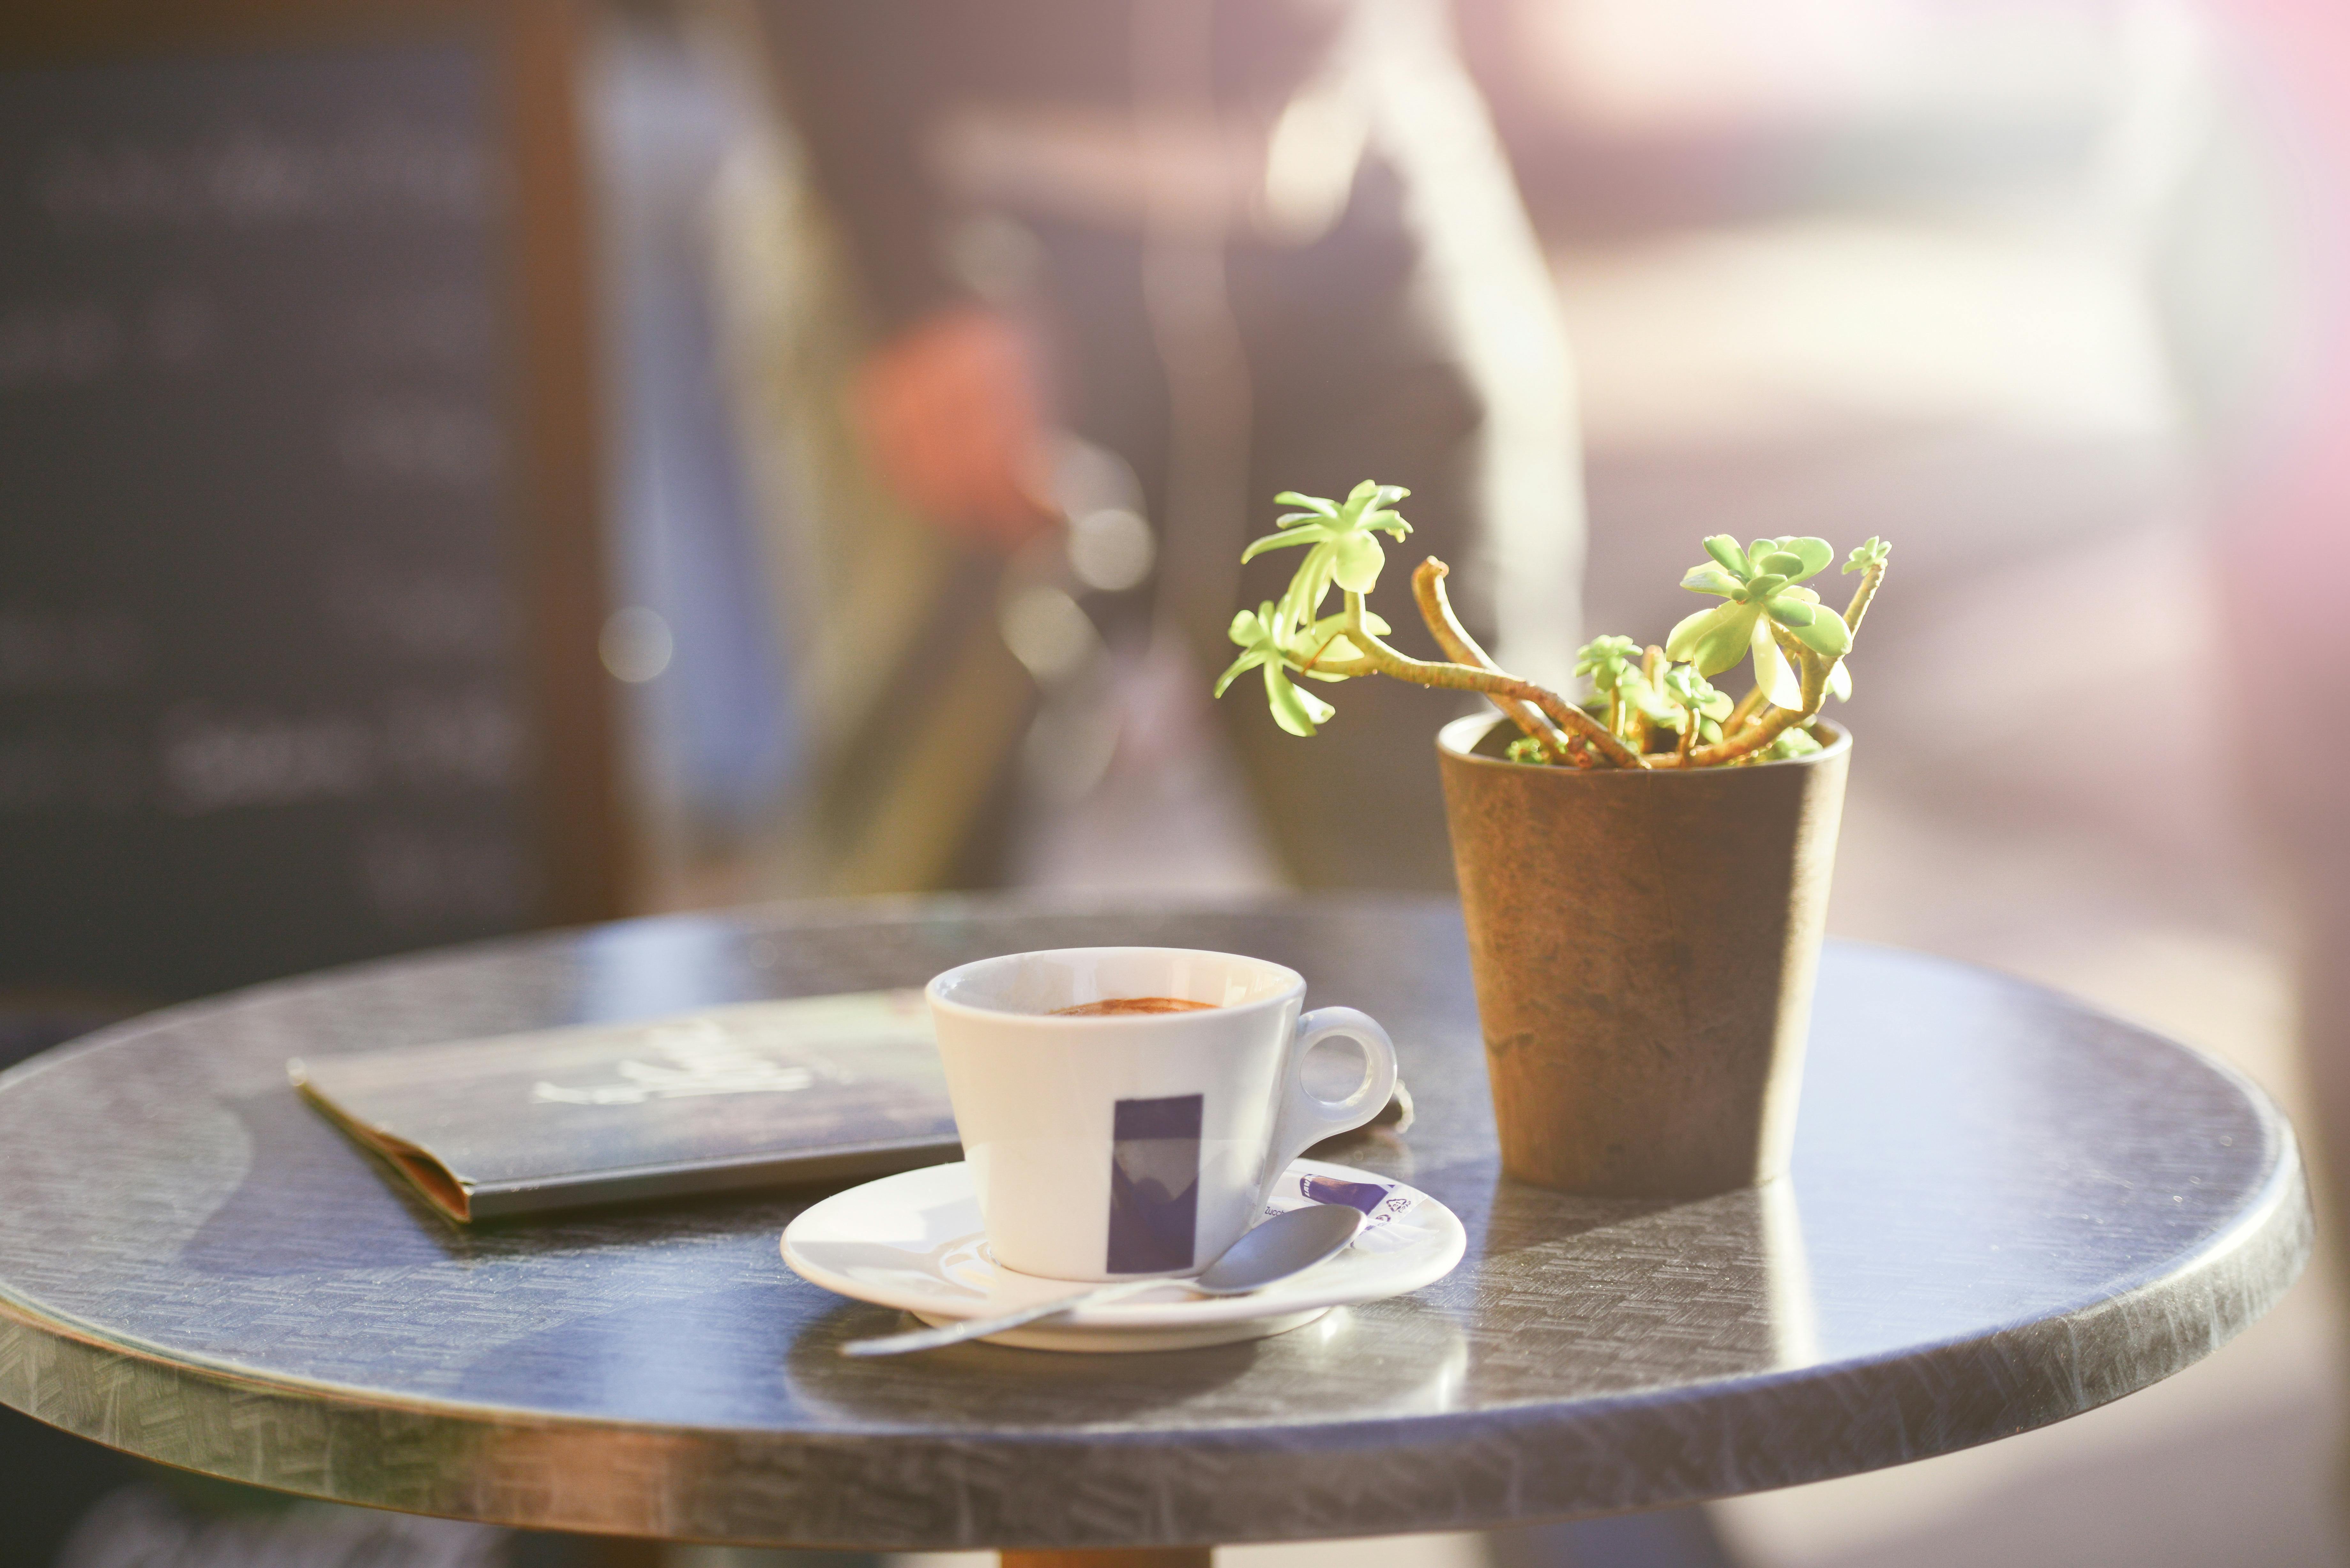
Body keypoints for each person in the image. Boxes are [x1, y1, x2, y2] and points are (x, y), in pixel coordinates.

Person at [751, 0, 1583, 889]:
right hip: (967, 189)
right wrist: (912, 275)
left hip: (1355, 151)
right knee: (925, 841)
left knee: (1460, 839)